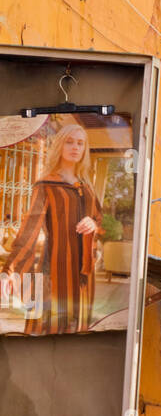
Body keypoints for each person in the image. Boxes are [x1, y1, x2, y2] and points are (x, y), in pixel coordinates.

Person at [4, 122, 103, 334]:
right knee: (45, 328)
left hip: (83, 270)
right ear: (60, 146)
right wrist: (10, 270)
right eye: (69, 142)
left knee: (76, 329)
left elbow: (98, 217)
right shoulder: (46, 185)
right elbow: (30, 227)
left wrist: (92, 223)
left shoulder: (86, 185)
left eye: (80, 143)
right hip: (54, 266)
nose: (75, 147)